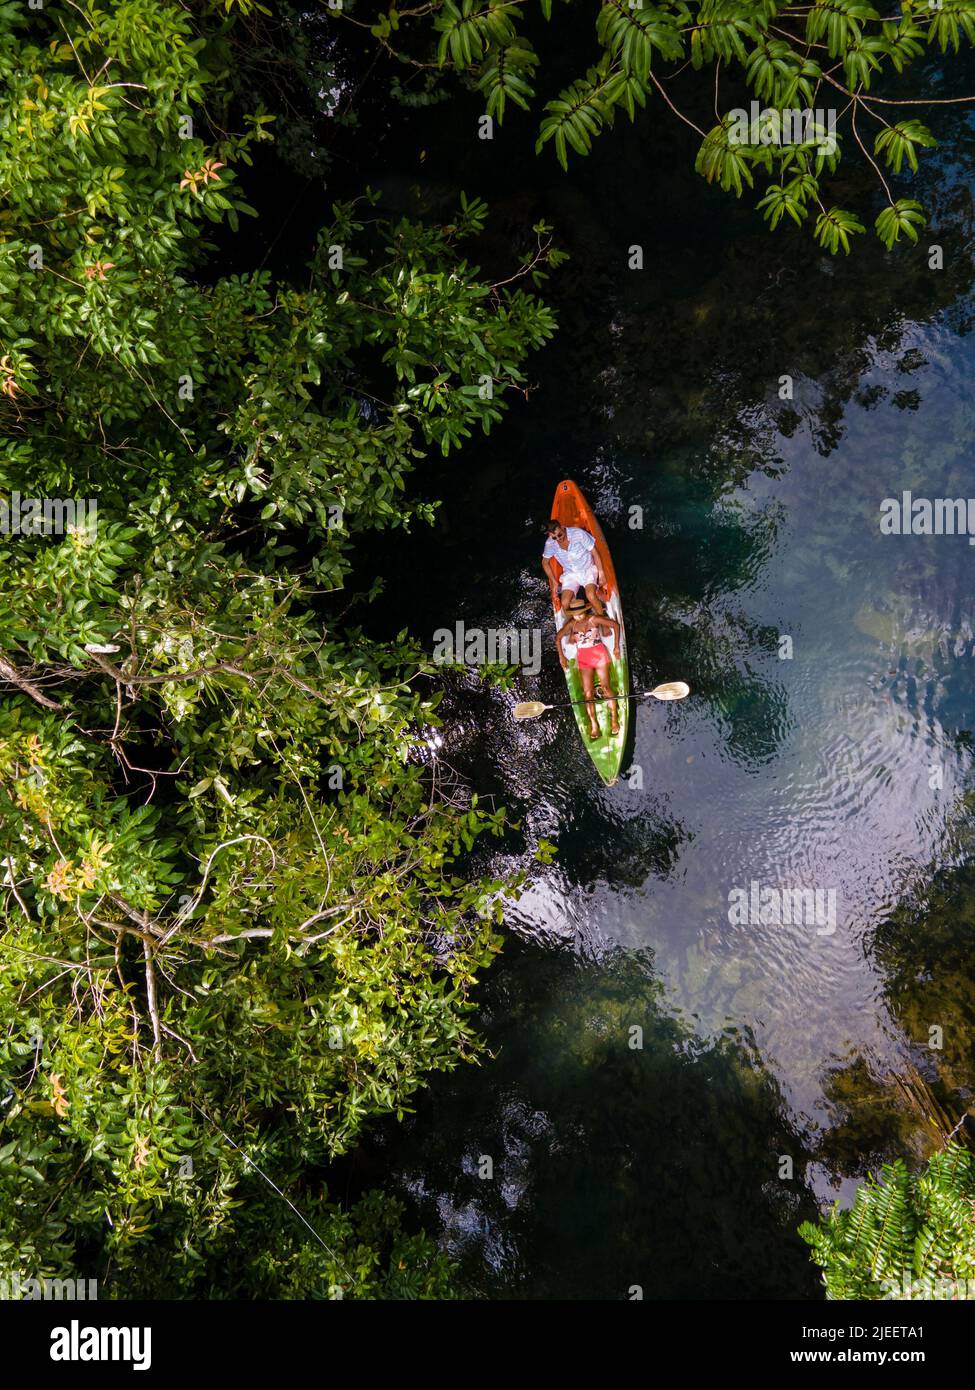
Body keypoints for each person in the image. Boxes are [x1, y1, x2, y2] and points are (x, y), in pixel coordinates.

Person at [556, 597, 620, 741]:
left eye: (580, 613)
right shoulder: (572, 624)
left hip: (599, 655)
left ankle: (614, 719)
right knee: (587, 693)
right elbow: (557, 638)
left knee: (606, 687)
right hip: (584, 659)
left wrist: (616, 646)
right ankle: (594, 724)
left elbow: (615, 625)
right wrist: (561, 657)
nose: (578, 616)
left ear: (585, 611)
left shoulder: (594, 619)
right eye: (575, 614)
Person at [542, 519, 606, 616]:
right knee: (564, 603)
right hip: (570, 573)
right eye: (554, 537)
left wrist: (601, 574)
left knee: (591, 595)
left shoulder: (578, 533)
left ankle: (602, 617)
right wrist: (554, 582)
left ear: (562, 527)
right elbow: (544, 562)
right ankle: (575, 624)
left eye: (560, 535)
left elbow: (595, 553)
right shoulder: (550, 543)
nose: (558, 539)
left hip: (587, 569)